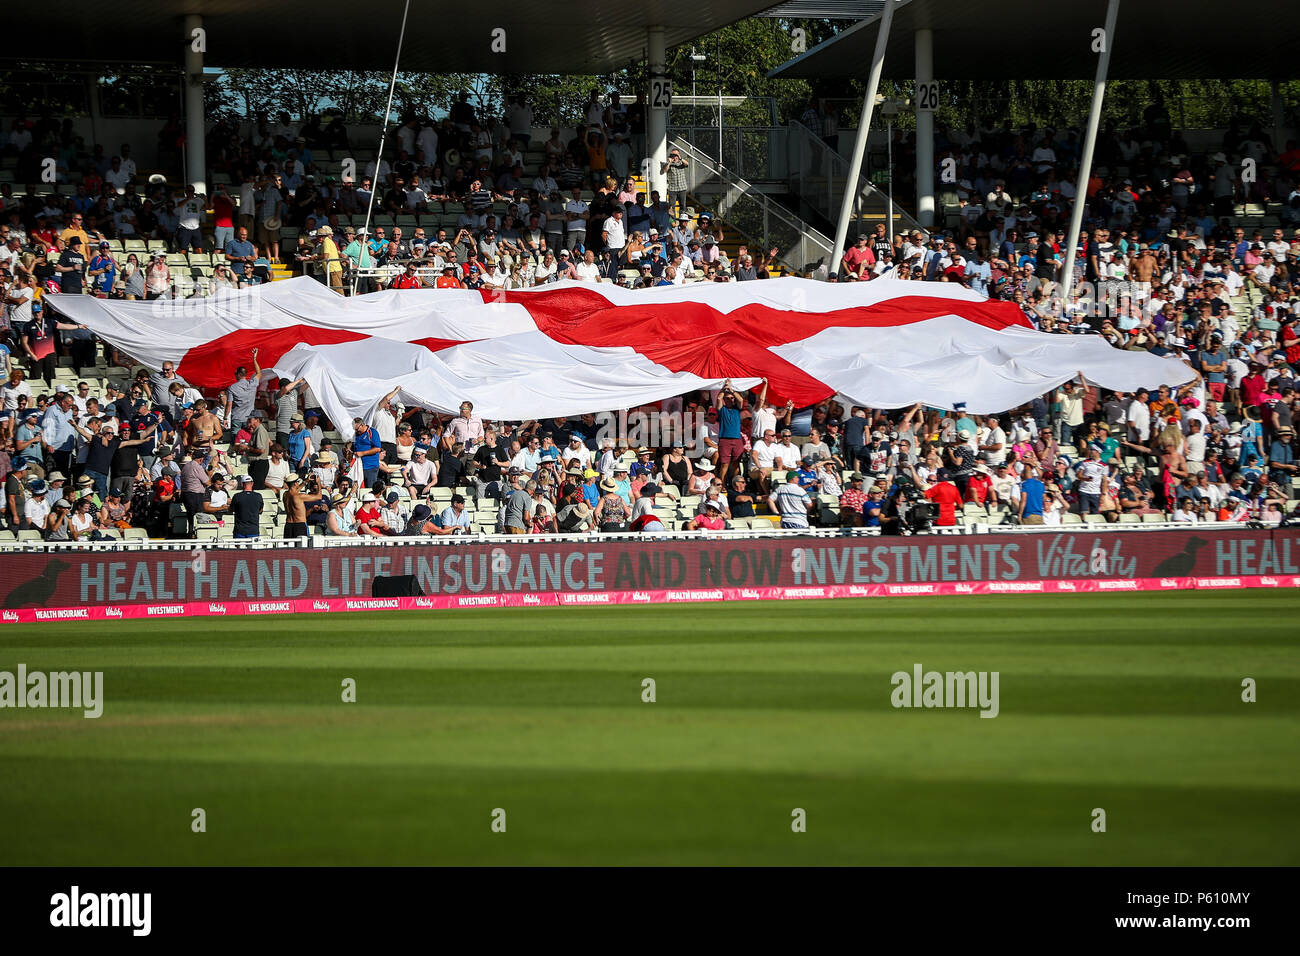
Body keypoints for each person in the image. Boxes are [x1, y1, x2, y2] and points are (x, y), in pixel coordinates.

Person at [282, 473, 322, 539]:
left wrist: (305, 481)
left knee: (288, 548)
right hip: (299, 525)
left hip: (288, 525)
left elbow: (293, 491)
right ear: (295, 483)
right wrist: (319, 483)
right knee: (302, 548)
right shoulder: (299, 496)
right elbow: (319, 496)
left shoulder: (285, 495)